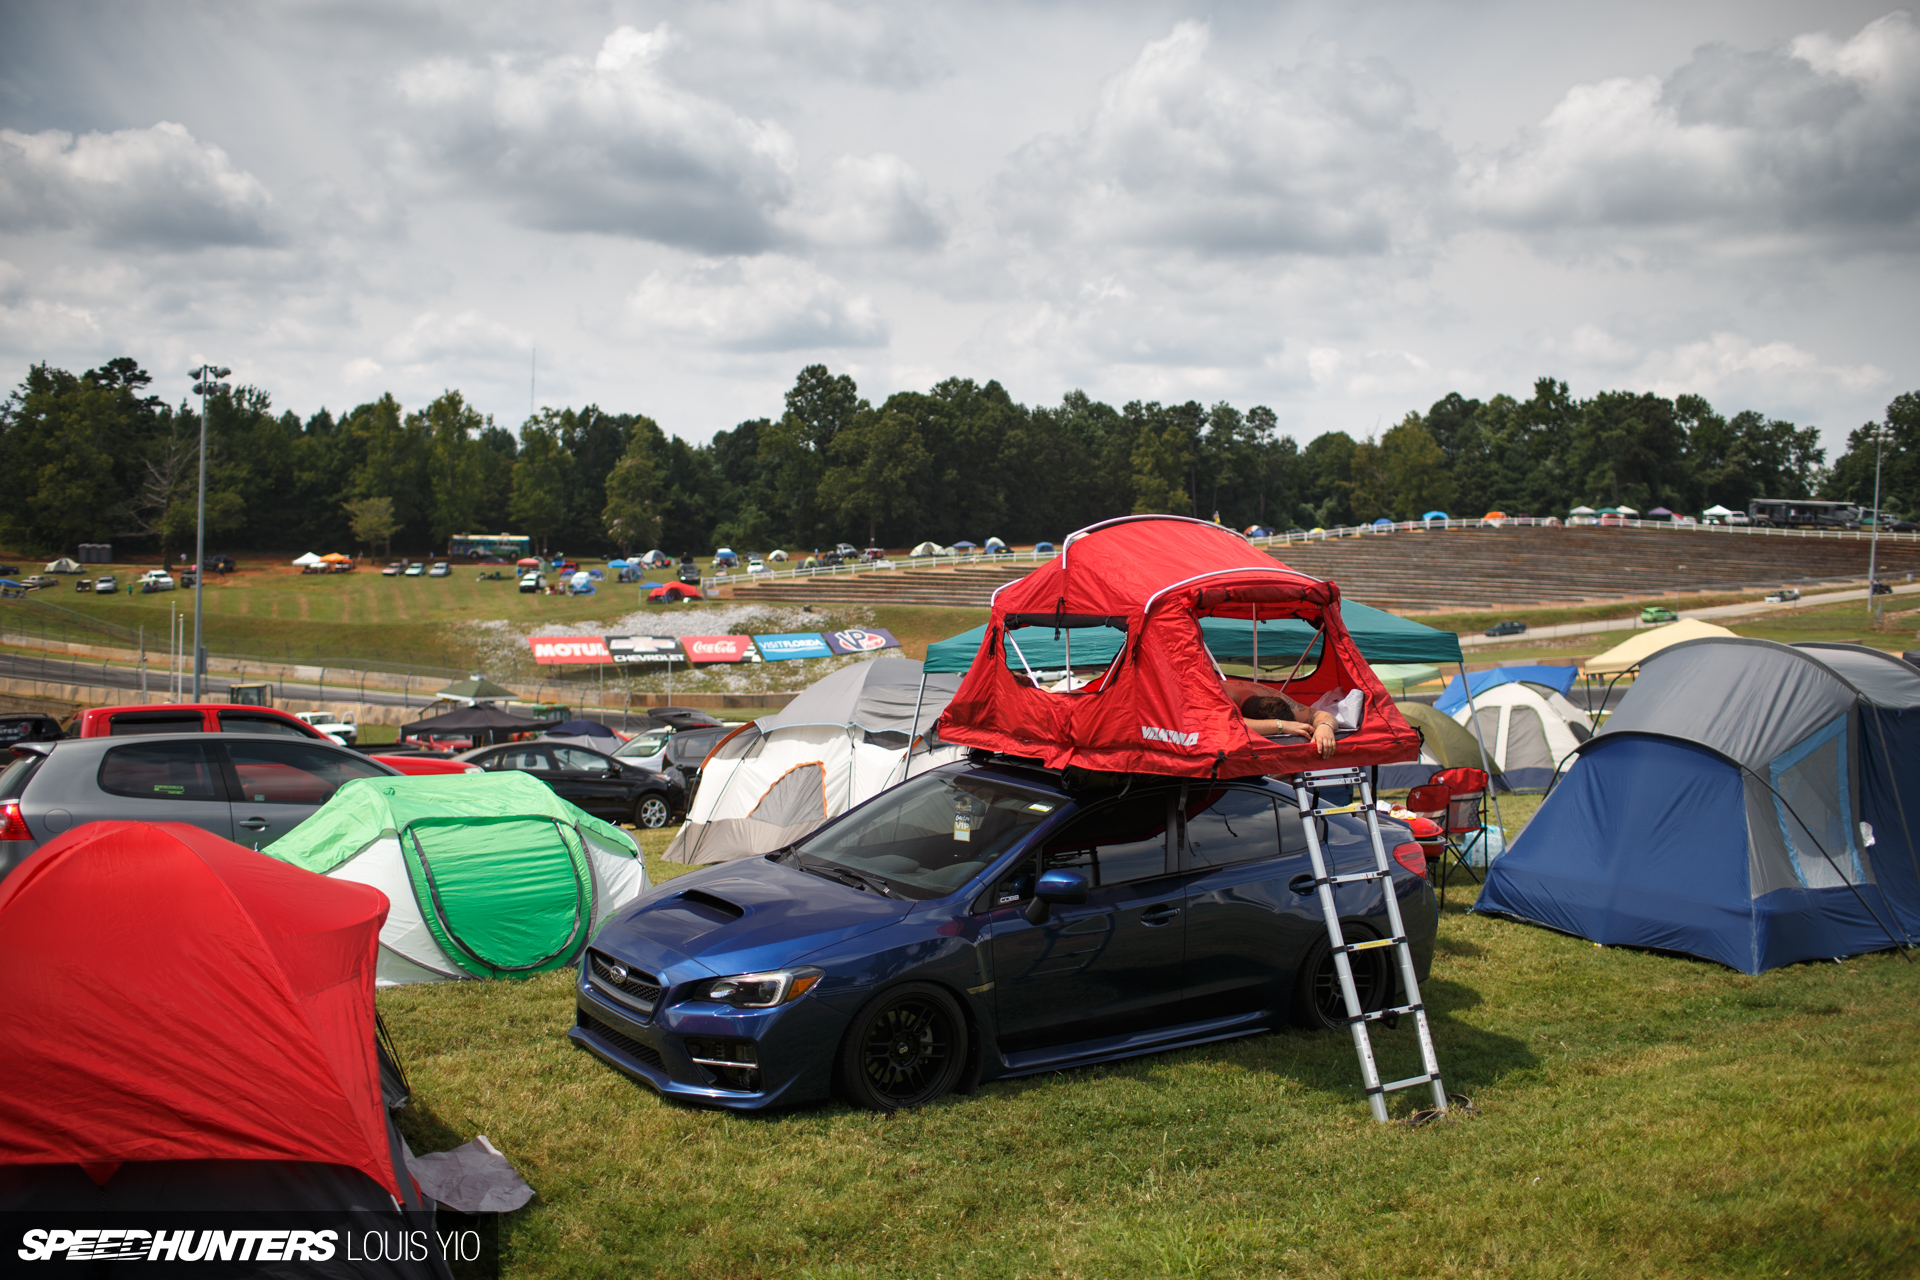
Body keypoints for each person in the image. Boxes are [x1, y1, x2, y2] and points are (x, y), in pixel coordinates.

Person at [1242, 693, 1337, 758]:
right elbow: (1230, 725)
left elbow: (1322, 715)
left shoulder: (1271, 696)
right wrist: (1282, 726)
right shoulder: (1229, 702)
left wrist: (1325, 726)